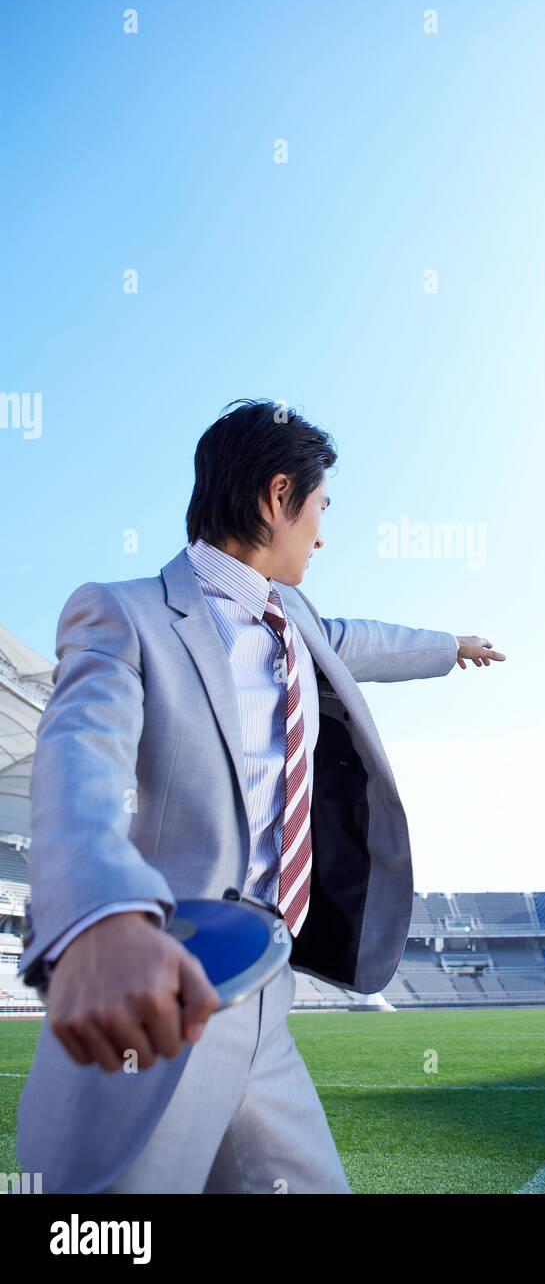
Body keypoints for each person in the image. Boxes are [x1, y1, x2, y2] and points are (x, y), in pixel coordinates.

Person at [15, 398, 505, 1194]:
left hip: (265, 1002)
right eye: (320, 509)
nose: (323, 532)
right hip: (164, 997)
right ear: (278, 498)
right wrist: (101, 915)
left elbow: (365, 640)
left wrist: (450, 648)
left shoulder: (299, 625)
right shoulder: (126, 613)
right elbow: (79, 762)